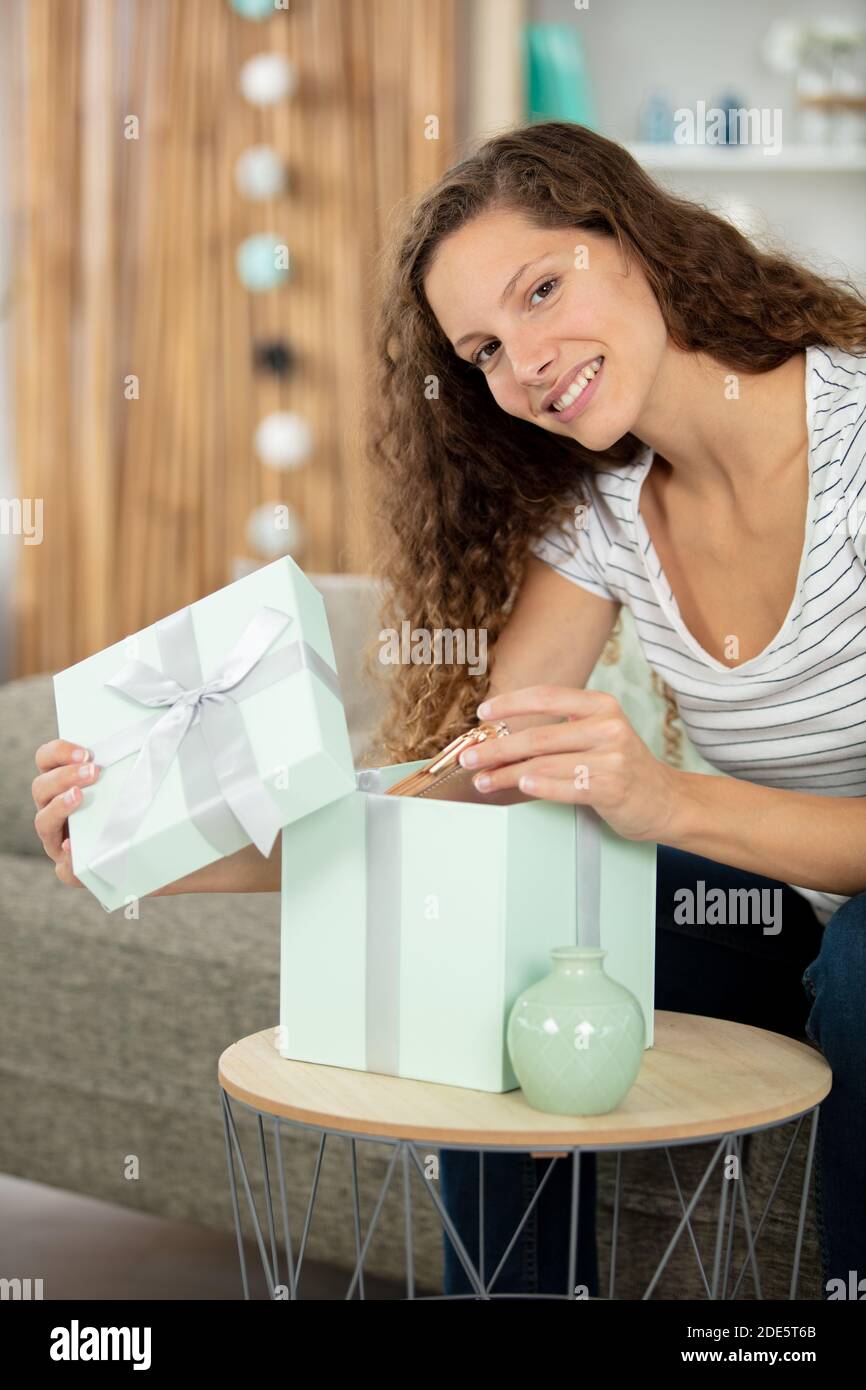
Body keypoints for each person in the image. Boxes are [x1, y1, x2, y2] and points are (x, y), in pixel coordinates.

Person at [33, 121, 866, 1299]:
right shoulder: (602, 517)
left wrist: (661, 797)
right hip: (776, 914)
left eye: (541, 289)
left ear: (638, 241)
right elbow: (464, 787)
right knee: (496, 935)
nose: (523, 362)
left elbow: (671, 809)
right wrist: (160, 851)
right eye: (481, 346)